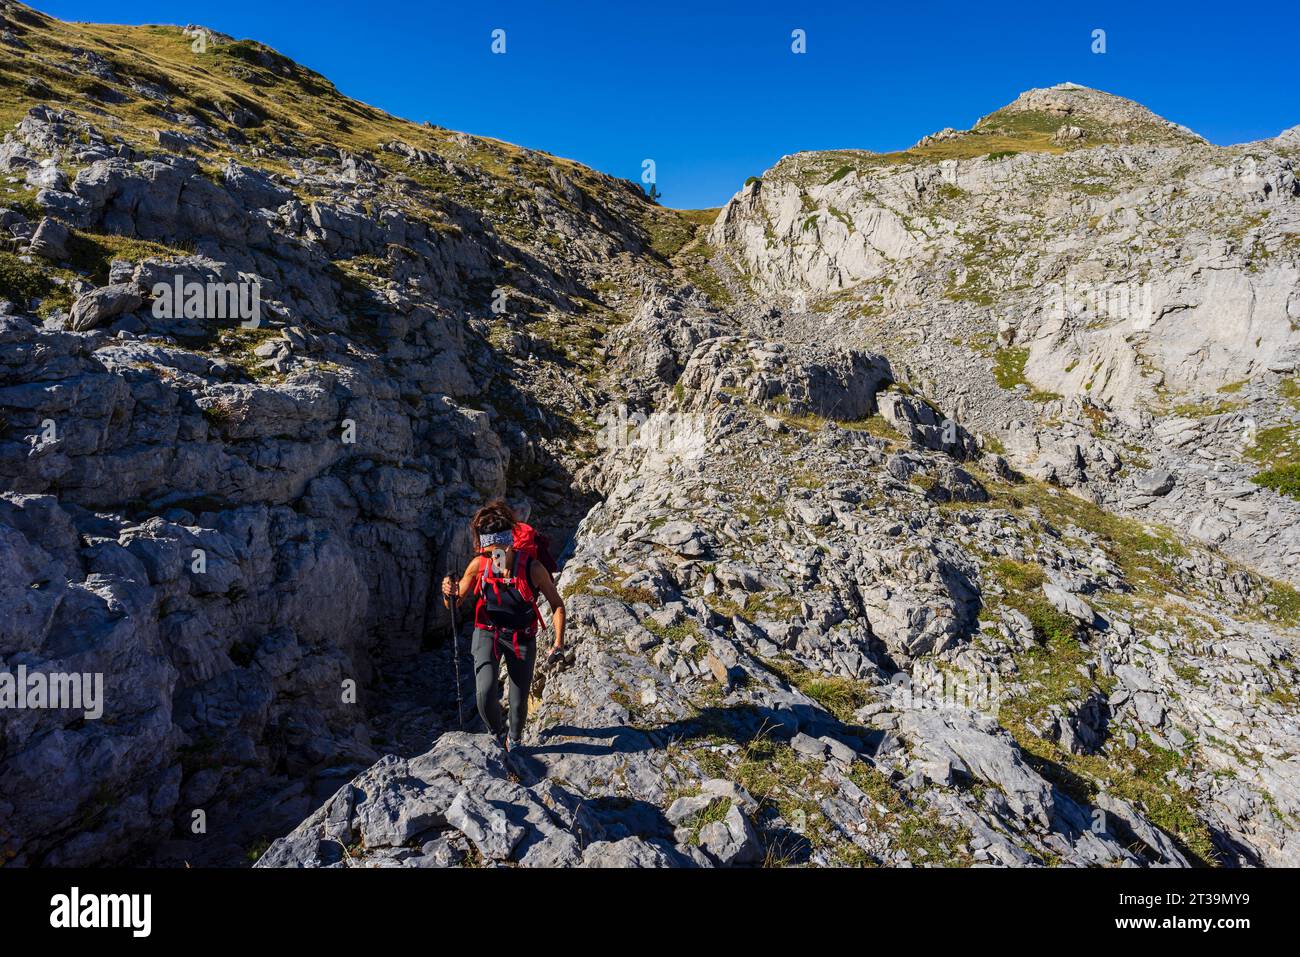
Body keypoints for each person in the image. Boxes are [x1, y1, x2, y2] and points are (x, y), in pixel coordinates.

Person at [442, 500, 565, 752]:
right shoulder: (479, 565)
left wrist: (558, 643)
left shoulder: (533, 569)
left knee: (518, 704)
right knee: (484, 693)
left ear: (510, 544)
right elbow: (455, 602)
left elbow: (557, 605)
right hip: (487, 631)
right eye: (489, 552)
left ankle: (515, 741)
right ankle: (497, 736)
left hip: (522, 637)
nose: (494, 557)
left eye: (498, 551)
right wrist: (448, 593)